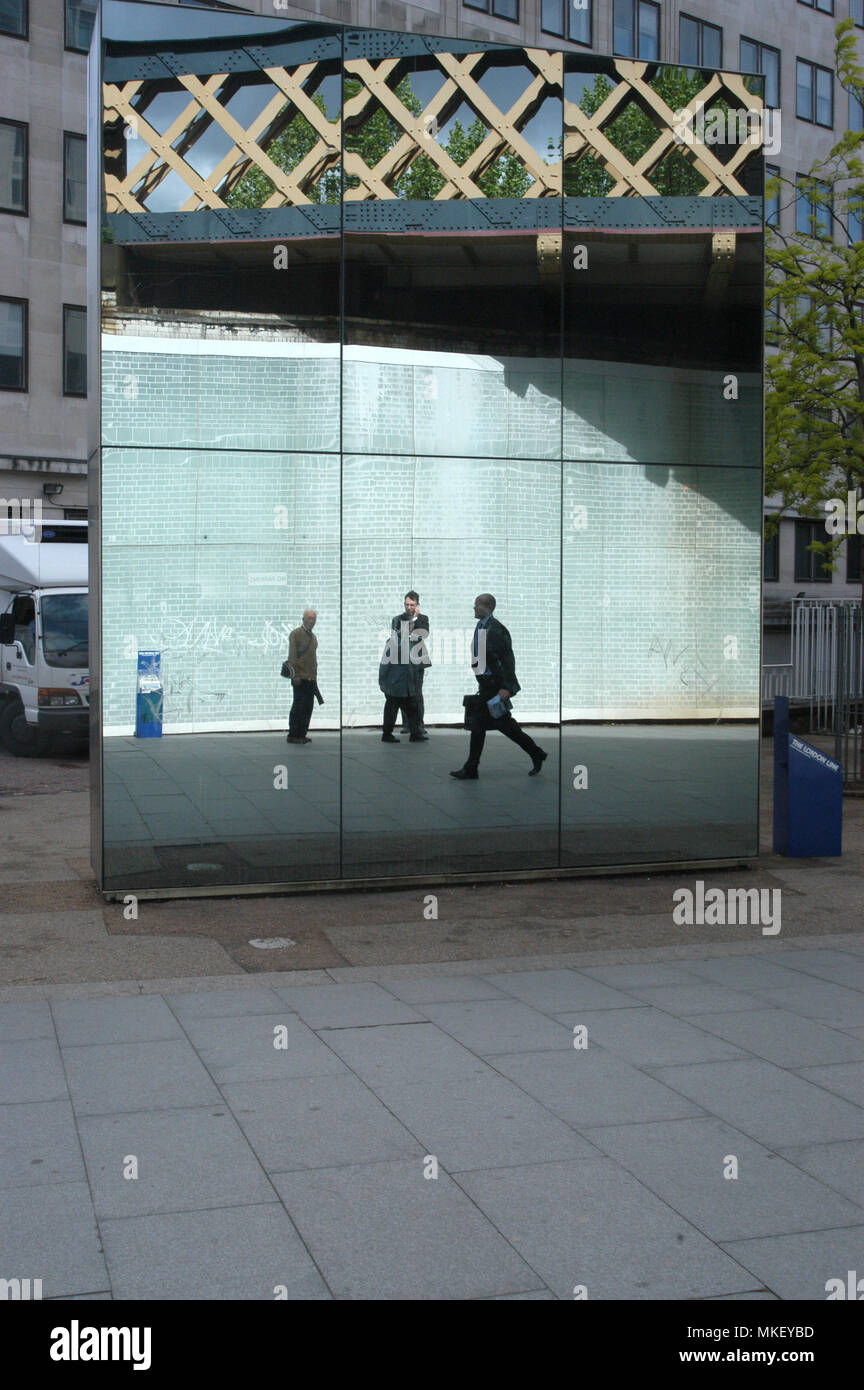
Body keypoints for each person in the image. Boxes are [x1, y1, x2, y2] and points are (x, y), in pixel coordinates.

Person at [451, 593, 546, 779]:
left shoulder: (497, 629)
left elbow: (508, 660)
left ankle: (535, 753)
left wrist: (507, 688)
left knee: (503, 726)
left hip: (495, 687)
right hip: (486, 685)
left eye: (477, 605)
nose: (474, 608)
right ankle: (472, 767)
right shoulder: (481, 627)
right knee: (489, 726)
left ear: (487, 607)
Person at [379, 607, 426, 742]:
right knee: (391, 711)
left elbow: (414, 664)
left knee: (412, 710)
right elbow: (384, 664)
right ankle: (387, 734)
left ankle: (415, 733)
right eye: (409, 624)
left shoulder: (412, 642)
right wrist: (382, 682)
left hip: (408, 685)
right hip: (395, 685)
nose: (411, 626)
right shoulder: (393, 642)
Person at [393, 590, 431, 735]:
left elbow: (422, 634)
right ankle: (407, 725)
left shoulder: (423, 619)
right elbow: (400, 637)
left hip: (417, 662)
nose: (409, 607)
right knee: (404, 693)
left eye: (412, 605)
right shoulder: (397, 619)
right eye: (407, 604)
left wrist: (414, 619)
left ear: (417, 605)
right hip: (403, 662)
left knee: (417, 693)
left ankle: (419, 725)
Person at [286, 609, 319, 744]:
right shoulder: (296, 634)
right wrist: (295, 675)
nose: (312, 621)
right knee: (298, 707)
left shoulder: (313, 637)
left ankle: (302, 733)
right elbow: (292, 656)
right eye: (310, 618)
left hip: (310, 678)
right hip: (300, 678)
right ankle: (294, 734)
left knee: (308, 707)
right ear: (303, 619)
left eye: (314, 618)